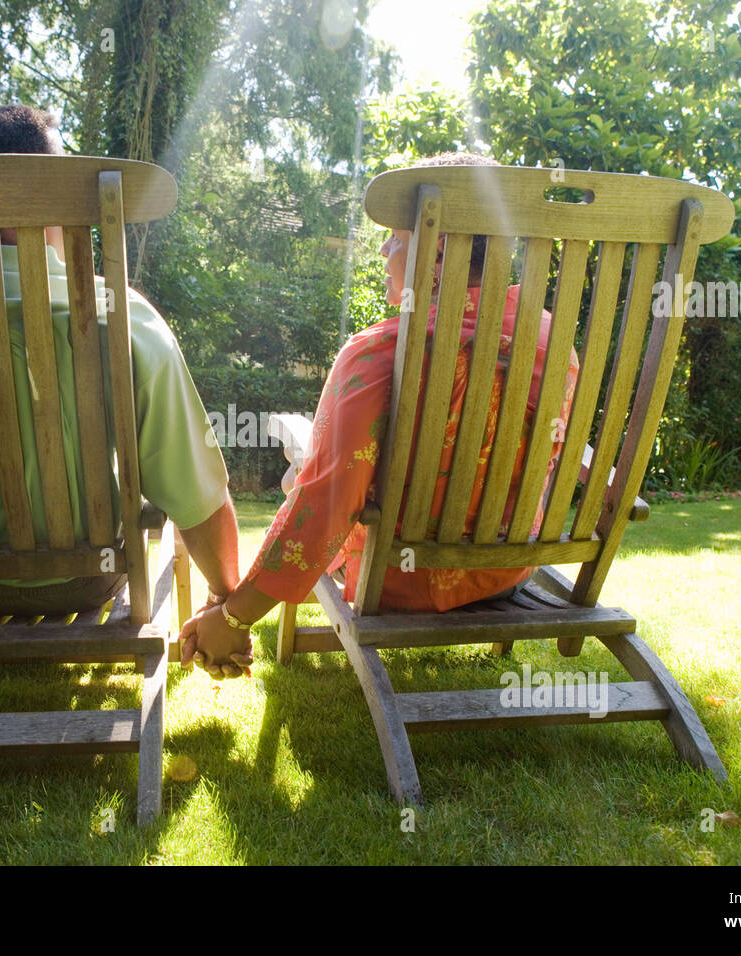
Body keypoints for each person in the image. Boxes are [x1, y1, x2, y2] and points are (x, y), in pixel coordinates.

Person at [180, 152, 580, 678]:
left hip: (398, 577)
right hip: (505, 570)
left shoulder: (381, 352)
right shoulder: (552, 343)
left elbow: (328, 500)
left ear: (437, 252)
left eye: (394, 238)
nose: (384, 252)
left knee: (304, 467)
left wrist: (234, 616)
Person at [0, 104, 241, 616]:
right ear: (54, 200)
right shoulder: (121, 319)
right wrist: (228, 604)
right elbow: (195, 494)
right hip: (82, 580)